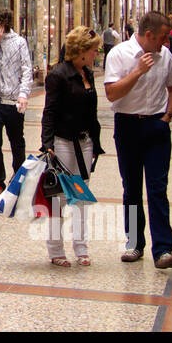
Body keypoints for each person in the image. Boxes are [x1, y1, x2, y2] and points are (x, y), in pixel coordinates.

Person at [104, 10, 172, 268]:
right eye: (162, 37)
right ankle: (135, 243)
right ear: (148, 35)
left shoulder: (165, 57)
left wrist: (168, 115)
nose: (165, 42)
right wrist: (137, 72)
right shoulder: (119, 54)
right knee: (132, 188)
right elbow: (112, 93)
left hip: (157, 126)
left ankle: (163, 249)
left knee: (158, 189)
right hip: (127, 126)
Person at [39, 26, 105, 266]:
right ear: (82, 51)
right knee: (60, 197)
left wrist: (96, 143)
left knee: (81, 195)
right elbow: (50, 111)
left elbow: (92, 112)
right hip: (63, 142)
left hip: (85, 142)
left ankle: (81, 246)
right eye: (95, 49)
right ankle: (55, 248)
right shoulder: (59, 75)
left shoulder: (88, 73)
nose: (97, 53)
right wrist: (47, 143)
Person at [0, 8, 32, 196]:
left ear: (4, 23)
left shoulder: (20, 42)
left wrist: (23, 94)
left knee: (17, 142)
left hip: (14, 101)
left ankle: (19, 179)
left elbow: (27, 70)